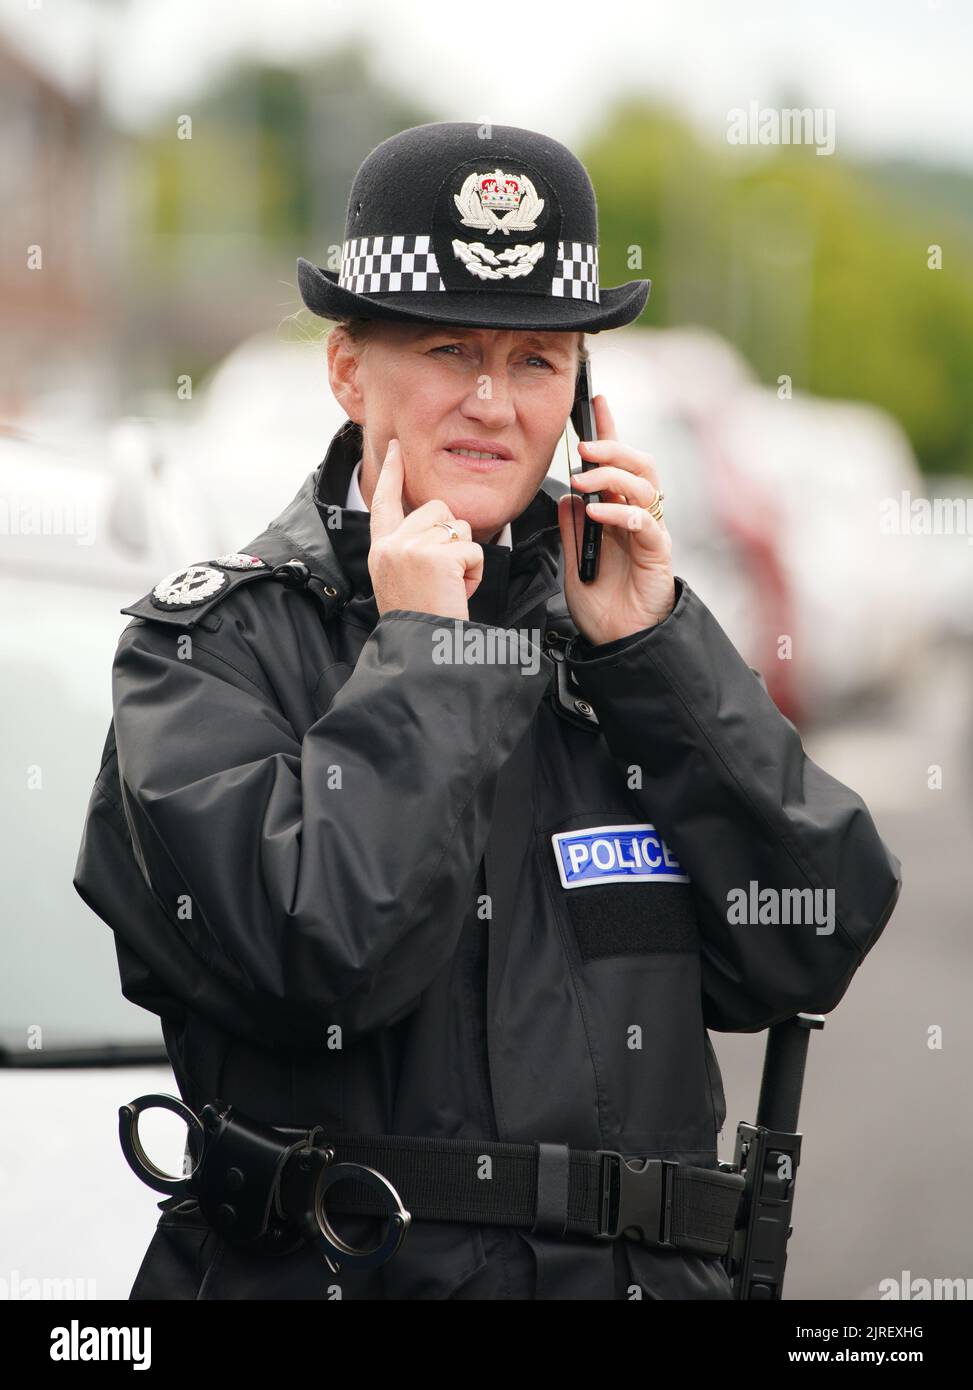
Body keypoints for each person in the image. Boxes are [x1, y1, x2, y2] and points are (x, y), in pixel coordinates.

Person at [73, 121, 902, 1300]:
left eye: (534, 361)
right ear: (348, 370)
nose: (491, 402)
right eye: (449, 346)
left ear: (583, 397)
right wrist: (421, 656)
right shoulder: (207, 656)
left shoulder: (622, 640)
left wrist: (656, 659)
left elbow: (811, 936)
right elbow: (330, 957)